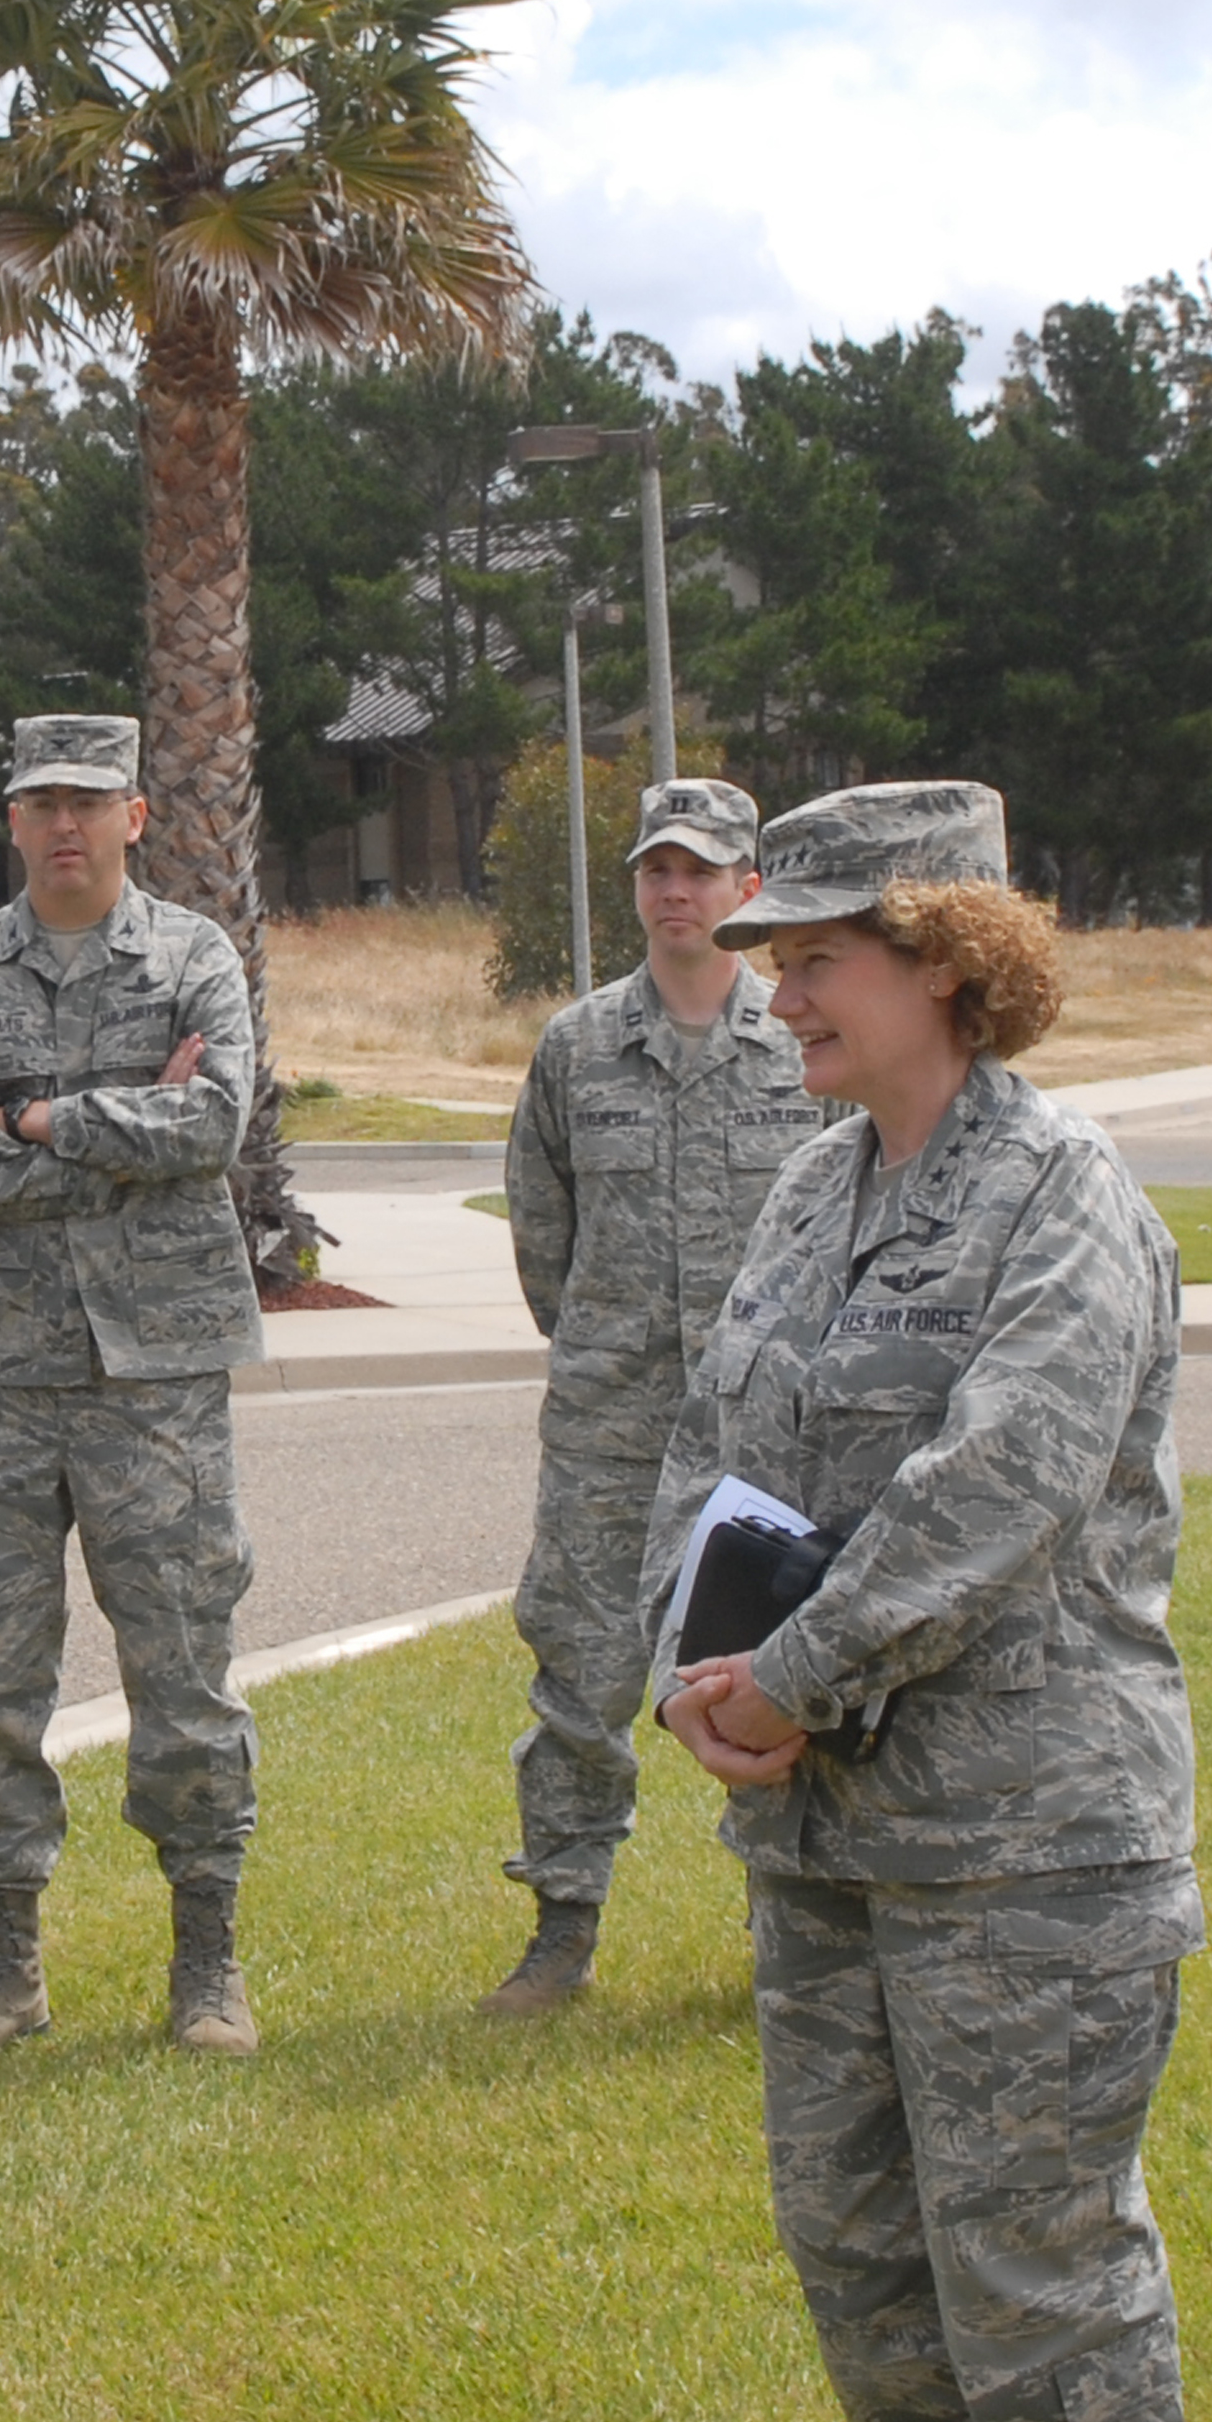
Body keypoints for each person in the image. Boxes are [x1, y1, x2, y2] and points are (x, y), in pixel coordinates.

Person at [650, 780, 1205, 2422]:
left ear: (950, 964)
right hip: (829, 1846)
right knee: (865, 2242)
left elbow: (997, 1489)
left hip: (1029, 1841)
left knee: (1036, 2253)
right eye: (771, 950)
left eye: (819, 954)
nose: (774, 982)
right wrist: (681, 1667)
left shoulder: (1067, 1199)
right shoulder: (814, 1190)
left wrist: (787, 1681)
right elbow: (717, 1450)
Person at [0, 713, 264, 2055]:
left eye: (89, 799)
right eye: (41, 798)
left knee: (184, 1665)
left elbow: (217, 1123)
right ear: (11, 819)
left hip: (157, 1376)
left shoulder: (194, 957)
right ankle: (5, 1965)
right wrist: (129, 1125)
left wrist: (43, 1115)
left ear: (135, 817)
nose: (65, 823)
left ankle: (207, 1963)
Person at [484, 776, 814, 2012]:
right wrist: (602, 1346)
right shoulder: (577, 1046)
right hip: (609, 1433)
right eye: (656, 868)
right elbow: (541, 1230)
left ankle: (782, 1930)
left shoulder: (799, 1043)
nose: (676, 891)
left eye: (702, 869)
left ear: (749, 889)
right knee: (579, 1677)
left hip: (763, 1434)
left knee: (782, 1674)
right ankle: (562, 1927)